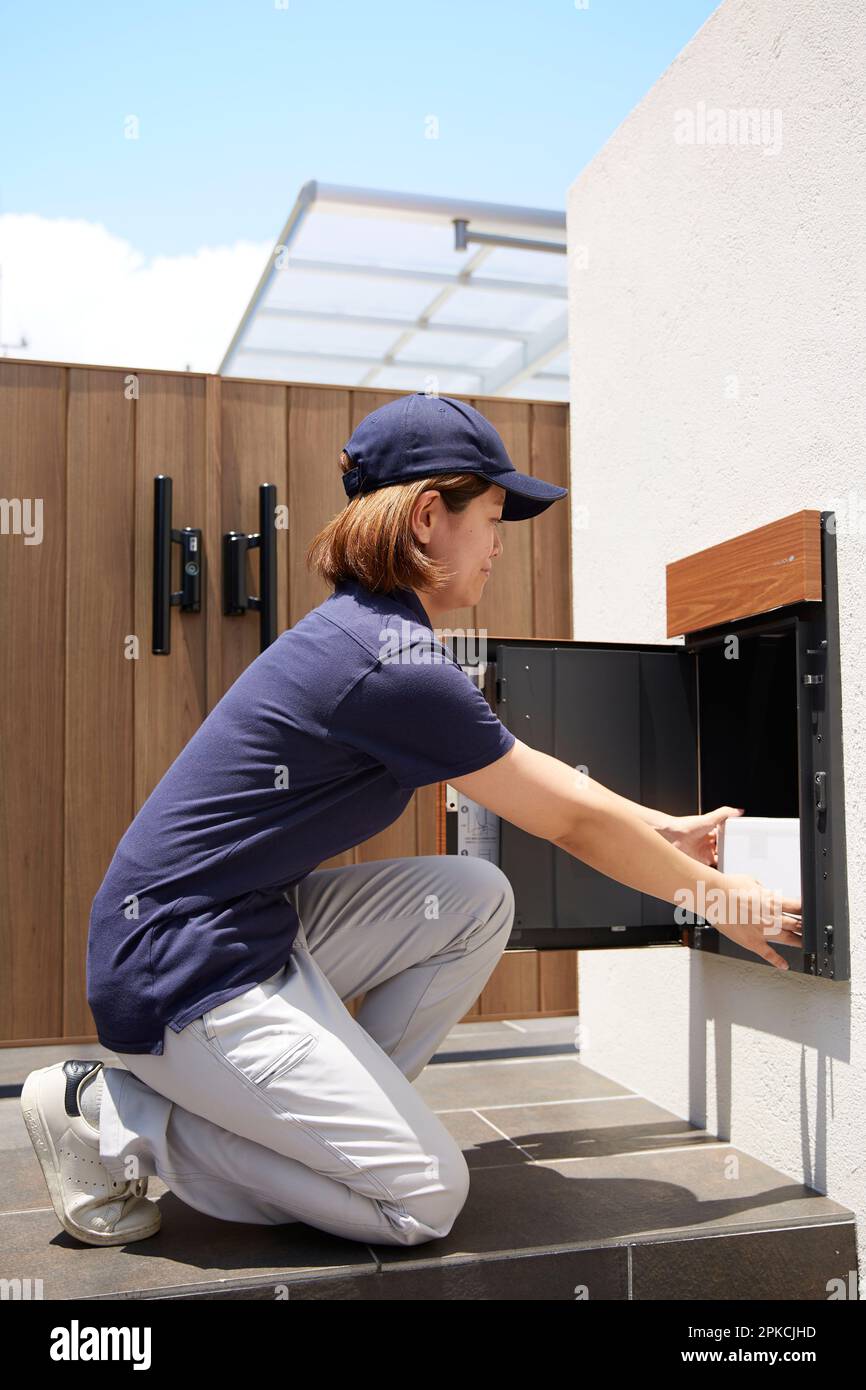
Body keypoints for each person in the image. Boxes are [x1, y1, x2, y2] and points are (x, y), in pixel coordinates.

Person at [20, 391, 802, 1250]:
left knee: (472, 894)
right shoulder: (390, 665)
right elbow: (567, 821)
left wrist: (666, 834)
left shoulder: (371, 639)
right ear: (430, 516)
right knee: (422, 1201)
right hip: (179, 971)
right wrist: (723, 898)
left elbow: (553, 789)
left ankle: (331, 1139)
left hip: (245, 931)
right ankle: (109, 1113)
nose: (501, 544)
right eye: (495, 516)